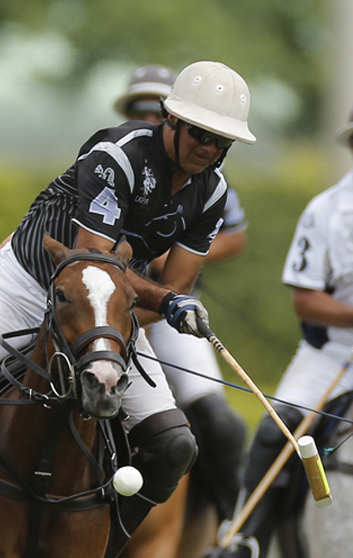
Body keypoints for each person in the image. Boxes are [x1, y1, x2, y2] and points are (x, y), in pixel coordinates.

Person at [0, 60, 257, 558]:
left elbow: (173, 284)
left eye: (222, 142)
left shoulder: (211, 191)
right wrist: (170, 302)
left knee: (175, 447)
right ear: (170, 119)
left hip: (105, 308)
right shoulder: (119, 156)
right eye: (200, 133)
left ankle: (107, 542)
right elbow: (91, 263)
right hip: (24, 285)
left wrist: (170, 304)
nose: (209, 149)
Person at [217, 106, 353, 558]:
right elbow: (306, 299)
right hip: (333, 355)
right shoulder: (328, 211)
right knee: (277, 430)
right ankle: (246, 536)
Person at [115, 64, 249, 523]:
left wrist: (175, 260)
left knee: (220, 422)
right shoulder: (118, 159)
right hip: (99, 303)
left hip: (163, 310)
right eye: (142, 110)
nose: (149, 119)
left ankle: (230, 527)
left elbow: (235, 236)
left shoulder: (208, 176)